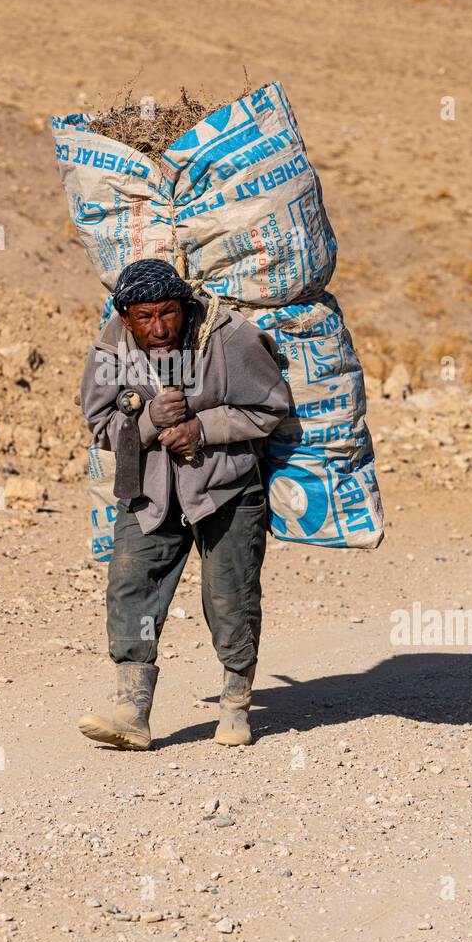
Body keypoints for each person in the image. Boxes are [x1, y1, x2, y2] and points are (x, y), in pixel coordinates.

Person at [77, 258, 289, 750]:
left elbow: (270, 407)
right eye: (145, 317)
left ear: (185, 305)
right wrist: (149, 420)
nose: (160, 328)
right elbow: (100, 428)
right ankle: (132, 710)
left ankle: (236, 702)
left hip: (226, 490)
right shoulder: (111, 347)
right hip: (148, 492)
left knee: (230, 596)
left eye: (169, 313)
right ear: (125, 316)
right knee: (132, 586)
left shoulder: (229, 338)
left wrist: (203, 427)